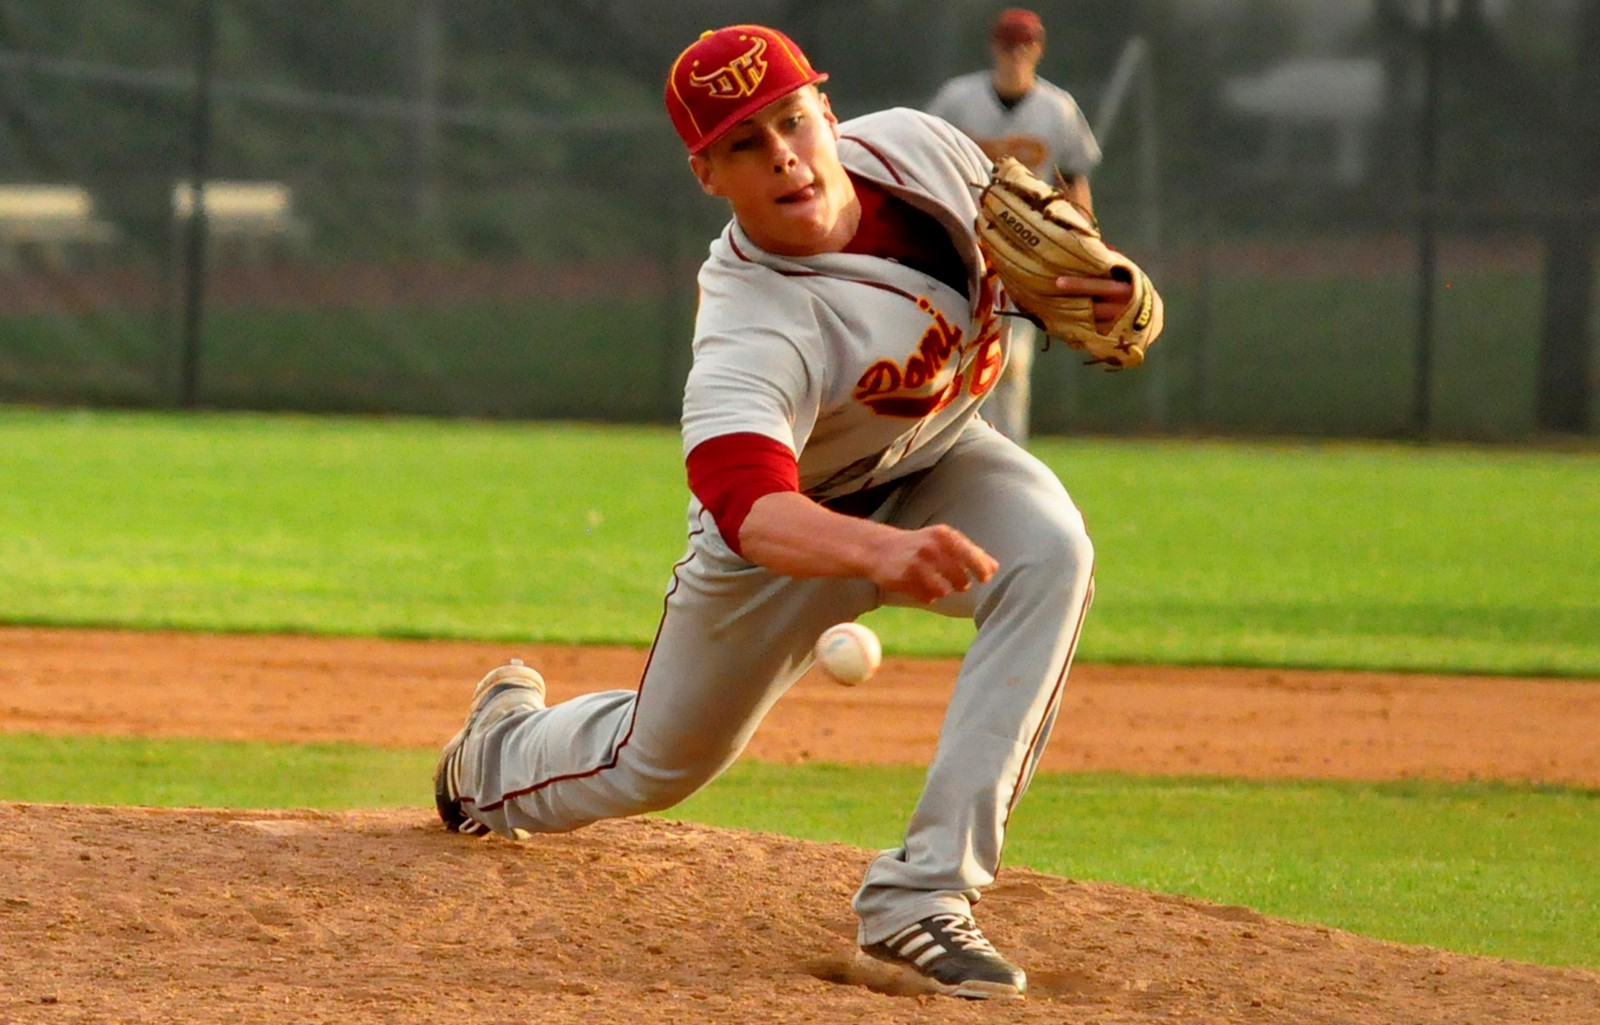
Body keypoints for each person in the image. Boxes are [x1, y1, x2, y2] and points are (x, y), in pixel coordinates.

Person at [433, 23, 1131, 1001]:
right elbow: (751, 509)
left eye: (792, 121)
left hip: (938, 458)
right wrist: (877, 551)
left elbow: (1050, 247)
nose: (784, 156)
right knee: (654, 763)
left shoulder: (924, 149)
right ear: (706, 174)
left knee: (1052, 554)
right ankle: (495, 753)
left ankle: (924, 892)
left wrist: (1103, 284)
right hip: (785, 539)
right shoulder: (752, 323)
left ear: (827, 114)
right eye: (744, 144)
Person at [925, 7, 1103, 446]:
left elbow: (1074, 177)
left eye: (1026, 44)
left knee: (1010, 363)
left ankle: (1008, 454)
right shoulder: (957, 100)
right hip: (959, 241)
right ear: (994, 47)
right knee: (948, 355)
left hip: (1025, 248)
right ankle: (945, 448)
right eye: (1009, 44)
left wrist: (1085, 244)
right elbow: (923, 157)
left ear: (1039, 49)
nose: (1017, 53)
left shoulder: (1057, 108)